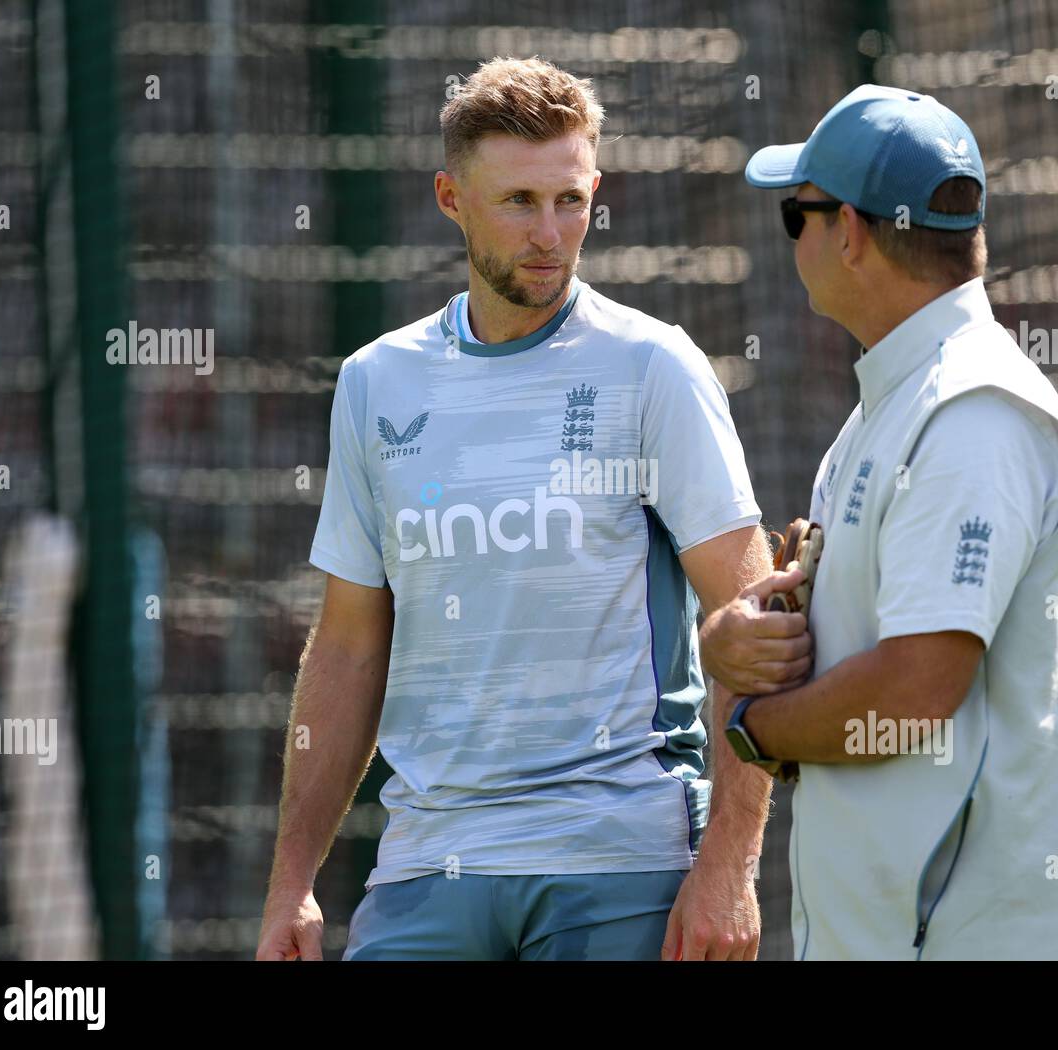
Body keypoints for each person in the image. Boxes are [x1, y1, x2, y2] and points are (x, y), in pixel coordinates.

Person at [255, 56, 811, 962]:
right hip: (425, 868)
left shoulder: (654, 367)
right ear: (451, 198)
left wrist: (729, 866)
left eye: (571, 200)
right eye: (518, 201)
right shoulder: (373, 383)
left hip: (623, 864)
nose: (550, 233)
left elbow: (748, 619)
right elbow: (351, 645)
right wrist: (292, 885)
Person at [712, 84, 1058, 959]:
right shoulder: (898, 404)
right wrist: (743, 642)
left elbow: (914, 692)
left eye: (797, 216)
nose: (797, 241)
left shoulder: (970, 413)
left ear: (848, 231)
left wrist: (749, 726)